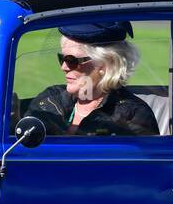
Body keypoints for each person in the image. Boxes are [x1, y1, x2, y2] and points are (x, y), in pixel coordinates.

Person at [26, 22, 155, 136]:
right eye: (62, 58)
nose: (64, 67)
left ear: (106, 64)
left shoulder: (132, 115)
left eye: (71, 60)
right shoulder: (50, 99)